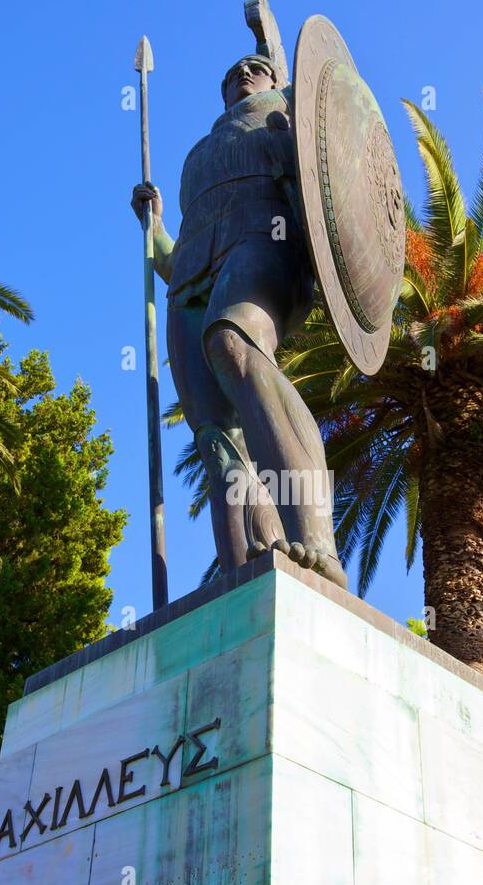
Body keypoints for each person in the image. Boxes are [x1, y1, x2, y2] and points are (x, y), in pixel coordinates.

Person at [131, 49, 346, 588]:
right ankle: (244, 567)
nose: (241, 75)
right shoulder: (200, 154)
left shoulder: (288, 114)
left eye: (254, 67)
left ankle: (317, 542)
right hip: (192, 276)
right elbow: (177, 254)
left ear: (275, 76)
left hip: (265, 241)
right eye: (230, 74)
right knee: (217, 439)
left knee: (235, 344)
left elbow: (332, 180)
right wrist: (154, 228)